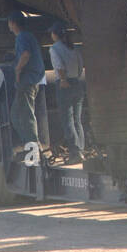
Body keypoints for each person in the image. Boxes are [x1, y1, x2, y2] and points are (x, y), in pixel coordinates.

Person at [7, 11, 46, 159]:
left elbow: (26, 54)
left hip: (27, 81)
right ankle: (30, 144)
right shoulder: (28, 36)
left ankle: (33, 148)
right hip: (34, 79)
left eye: (9, 23)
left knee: (25, 115)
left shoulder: (21, 37)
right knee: (17, 114)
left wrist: (17, 70)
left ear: (13, 23)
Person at [48, 21, 85, 163]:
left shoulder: (55, 49)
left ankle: (75, 153)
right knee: (77, 120)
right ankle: (80, 150)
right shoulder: (73, 48)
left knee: (67, 120)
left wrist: (63, 79)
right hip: (77, 82)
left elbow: (59, 66)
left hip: (65, 84)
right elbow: (81, 66)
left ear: (55, 35)